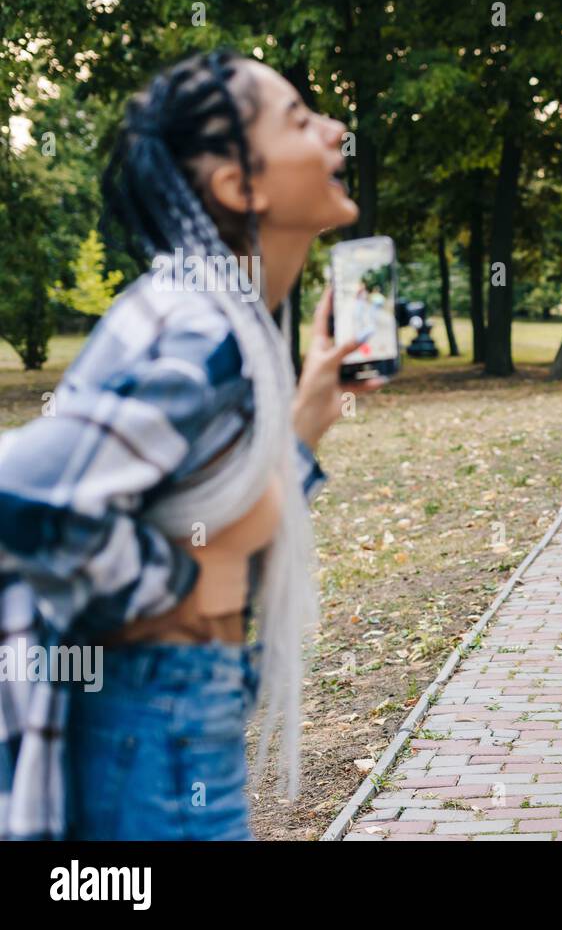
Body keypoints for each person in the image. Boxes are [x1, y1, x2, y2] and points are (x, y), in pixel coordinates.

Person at [0, 49, 381, 839]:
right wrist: (171, 588)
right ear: (242, 187)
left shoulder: (226, 320)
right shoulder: (194, 327)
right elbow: (20, 497)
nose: (335, 131)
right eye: (301, 121)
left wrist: (303, 424)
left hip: (182, 713)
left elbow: (211, 514)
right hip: (149, 720)